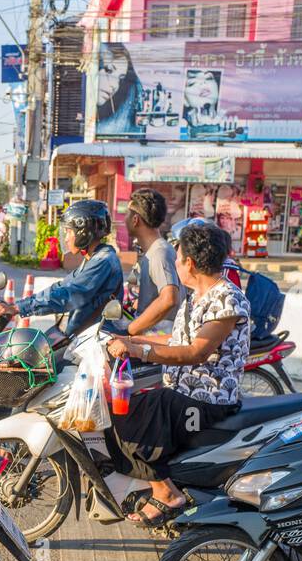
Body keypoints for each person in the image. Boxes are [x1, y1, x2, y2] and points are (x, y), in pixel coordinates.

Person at [105, 221, 250, 526]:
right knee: (120, 407)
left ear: (191, 263)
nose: (175, 263)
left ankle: (166, 492)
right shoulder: (196, 295)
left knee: (124, 416)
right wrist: (132, 339)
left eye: (178, 257)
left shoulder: (227, 299)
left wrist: (138, 351)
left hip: (207, 399)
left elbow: (195, 352)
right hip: (181, 392)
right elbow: (175, 341)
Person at [0, 199, 125, 340]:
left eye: (68, 232)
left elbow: (69, 294)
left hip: (95, 340)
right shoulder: (94, 257)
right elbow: (62, 286)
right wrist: (19, 305)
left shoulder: (103, 261)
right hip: (83, 335)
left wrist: (19, 308)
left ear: (83, 232)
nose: (65, 239)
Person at [123, 188, 182, 335]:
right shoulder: (154, 251)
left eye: (127, 214)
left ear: (135, 220)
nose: (125, 219)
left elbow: (169, 299)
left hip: (157, 340)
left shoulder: (159, 253)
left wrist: (132, 329)